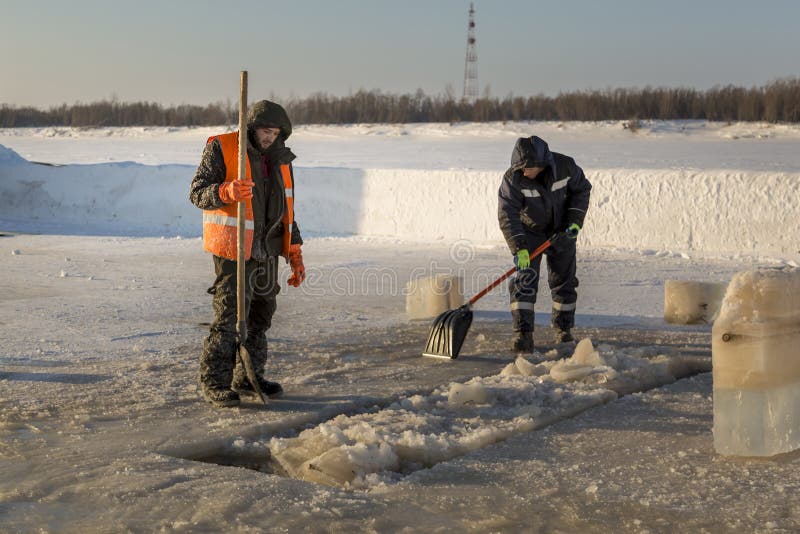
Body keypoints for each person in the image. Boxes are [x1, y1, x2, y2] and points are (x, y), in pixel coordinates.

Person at [189, 100, 305, 408]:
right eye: (265, 131)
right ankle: (215, 382)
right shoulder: (223, 147)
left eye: (276, 132)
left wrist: (294, 251)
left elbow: (287, 208)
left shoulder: (281, 157)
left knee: (261, 316)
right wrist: (225, 192)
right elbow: (197, 192)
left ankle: (248, 376)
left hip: (268, 249)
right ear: (252, 128)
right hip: (234, 247)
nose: (270, 138)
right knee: (229, 317)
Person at [498, 135, 591, 353]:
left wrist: (574, 222)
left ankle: (563, 329)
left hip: (563, 231)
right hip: (530, 232)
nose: (523, 171)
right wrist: (518, 247)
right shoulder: (513, 179)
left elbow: (582, 190)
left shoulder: (565, 167)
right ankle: (523, 334)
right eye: (519, 167)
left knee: (564, 281)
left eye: (527, 167)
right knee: (525, 281)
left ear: (541, 163)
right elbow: (507, 214)